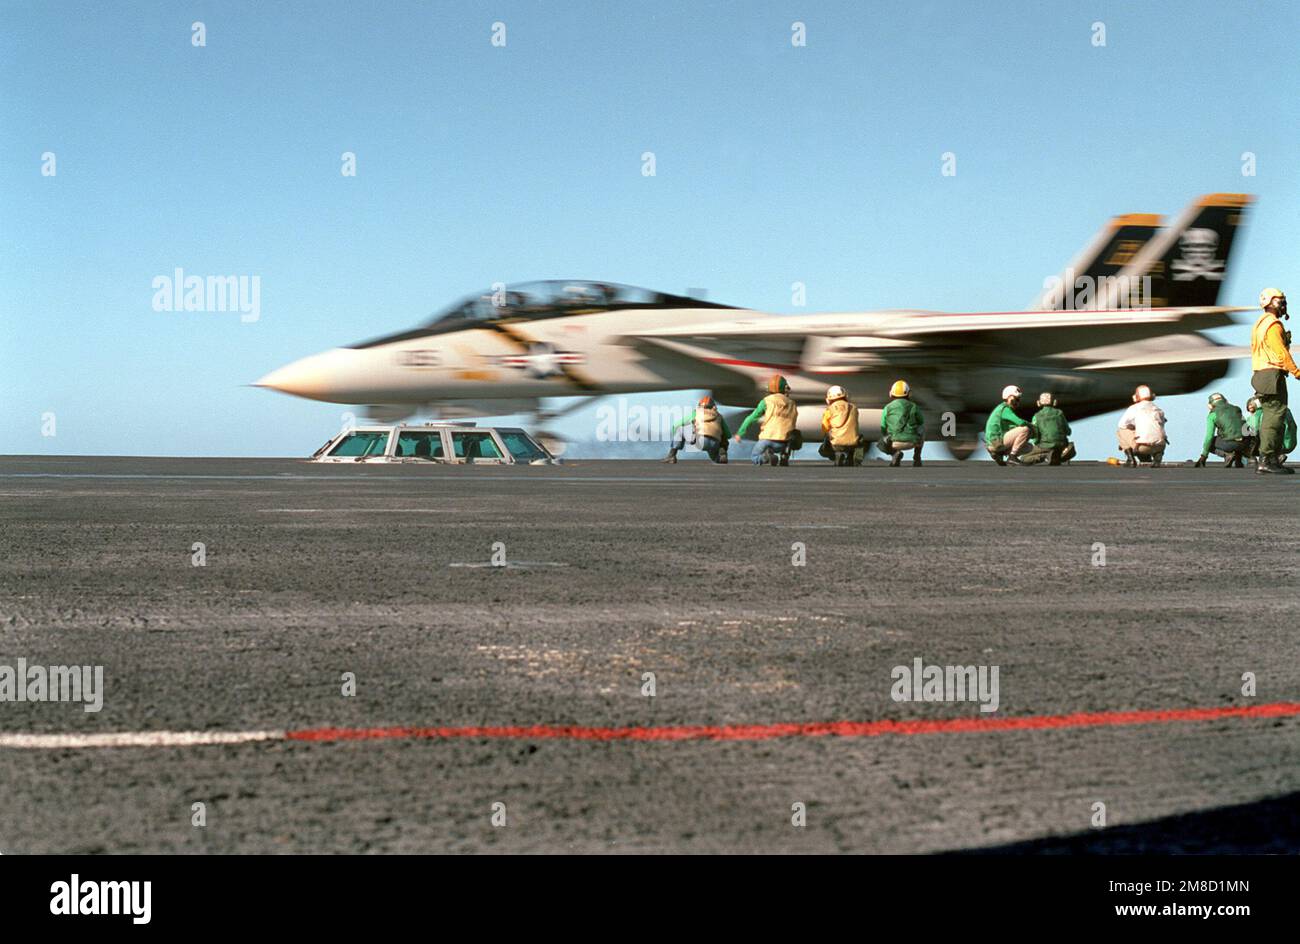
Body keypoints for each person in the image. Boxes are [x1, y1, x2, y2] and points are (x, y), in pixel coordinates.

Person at [1250, 288, 1300, 474]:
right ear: (1270, 303)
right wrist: (1296, 372)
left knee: (1273, 416)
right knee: (1275, 416)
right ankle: (1266, 460)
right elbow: (1281, 353)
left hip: (1262, 374)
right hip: (1271, 374)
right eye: (1280, 301)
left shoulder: (1260, 323)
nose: (1283, 304)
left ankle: (1271, 459)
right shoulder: (1273, 325)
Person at [735, 374, 799, 466]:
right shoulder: (792, 403)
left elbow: (751, 418)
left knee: (754, 457)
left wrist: (740, 433)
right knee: (791, 435)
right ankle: (785, 455)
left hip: (767, 439)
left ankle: (767, 458)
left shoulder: (766, 401)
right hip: (785, 442)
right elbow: (794, 420)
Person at [662, 394, 730, 463]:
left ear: (700, 406)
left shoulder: (696, 413)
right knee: (722, 438)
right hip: (714, 443)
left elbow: (676, 425)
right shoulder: (719, 416)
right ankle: (721, 455)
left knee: (680, 429)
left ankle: (671, 456)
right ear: (713, 406)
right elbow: (728, 435)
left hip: (699, 441)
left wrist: (676, 437)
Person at [1116, 384, 1168, 467]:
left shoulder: (1134, 408)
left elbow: (1121, 424)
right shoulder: (1159, 410)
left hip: (1142, 447)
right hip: (1160, 447)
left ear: (1136, 396)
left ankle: (1131, 459)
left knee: (1120, 431)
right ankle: (1157, 455)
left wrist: (1132, 428)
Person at [1020, 392, 1077, 465]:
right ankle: (1059, 455)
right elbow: (1068, 432)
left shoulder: (1037, 416)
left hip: (1045, 446)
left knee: (1023, 458)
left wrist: (1037, 443)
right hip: (1061, 444)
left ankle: (1046, 456)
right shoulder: (1060, 413)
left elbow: (1035, 435)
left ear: (1039, 403)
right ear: (1054, 402)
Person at [878, 380, 925, 467]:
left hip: (894, 443)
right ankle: (917, 458)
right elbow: (921, 422)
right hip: (912, 442)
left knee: (880, 443)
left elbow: (883, 427)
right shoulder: (914, 406)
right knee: (922, 430)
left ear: (891, 393)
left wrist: (886, 437)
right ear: (908, 394)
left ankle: (894, 454)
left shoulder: (887, 407)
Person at [1193, 392, 1246, 468]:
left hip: (1229, 444)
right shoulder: (1236, 409)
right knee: (1237, 436)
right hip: (1244, 444)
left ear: (1210, 405)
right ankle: (1238, 459)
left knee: (1210, 442)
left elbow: (1209, 436)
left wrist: (1203, 456)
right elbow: (1245, 427)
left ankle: (1227, 455)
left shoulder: (1212, 415)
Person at [985, 385, 1033, 465]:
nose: (1018, 402)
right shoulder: (1005, 409)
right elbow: (1020, 422)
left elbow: (1012, 426)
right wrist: (1032, 426)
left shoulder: (1001, 408)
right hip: (996, 443)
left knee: (1028, 447)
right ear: (1009, 397)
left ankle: (999, 453)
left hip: (994, 442)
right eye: (1016, 399)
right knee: (1025, 429)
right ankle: (1012, 457)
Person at [817, 385, 861, 466]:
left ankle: (837, 455)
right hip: (853, 443)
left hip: (836, 443)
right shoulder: (854, 408)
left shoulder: (829, 409)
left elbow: (825, 428)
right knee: (861, 440)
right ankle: (854, 458)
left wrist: (828, 435)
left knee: (823, 449)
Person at [1244, 395, 1296, 462]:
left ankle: (1254, 457)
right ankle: (1276, 455)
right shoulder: (1285, 410)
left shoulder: (1262, 412)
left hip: (1276, 444)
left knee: (1250, 436)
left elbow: (1254, 428)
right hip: (1289, 443)